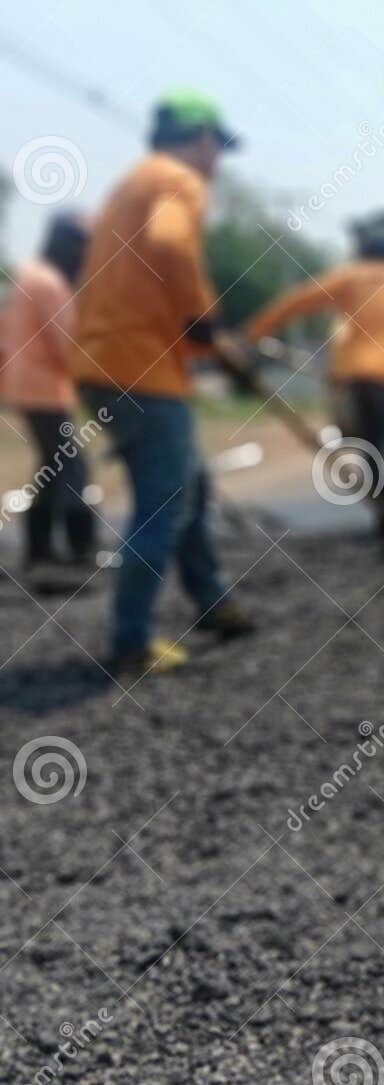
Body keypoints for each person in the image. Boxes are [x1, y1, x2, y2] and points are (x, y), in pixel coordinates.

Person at [70, 88, 253, 676]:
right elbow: (170, 244)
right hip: (139, 370)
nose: (216, 161)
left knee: (189, 487)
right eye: (215, 147)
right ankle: (131, 641)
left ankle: (214, 604)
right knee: (163, 504)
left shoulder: (132, 182)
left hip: (108, 363)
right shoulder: (176, 179)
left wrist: (198, 340)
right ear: (199, 140)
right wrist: (207, 322)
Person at [246, 212, 384, 553]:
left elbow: (297, 300)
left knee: (368, 452)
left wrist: (255, 331)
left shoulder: (351, 276)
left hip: (348, 379)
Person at [0, 211, 101, 592]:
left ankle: (40, 549)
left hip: (28, 387)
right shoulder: (49, 283)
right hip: (44, 390)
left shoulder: (28, 276)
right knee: (70, 467)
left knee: (54, 468)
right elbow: (67, 345)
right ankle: (80, 547)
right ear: (66, 243)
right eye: (81, 246)